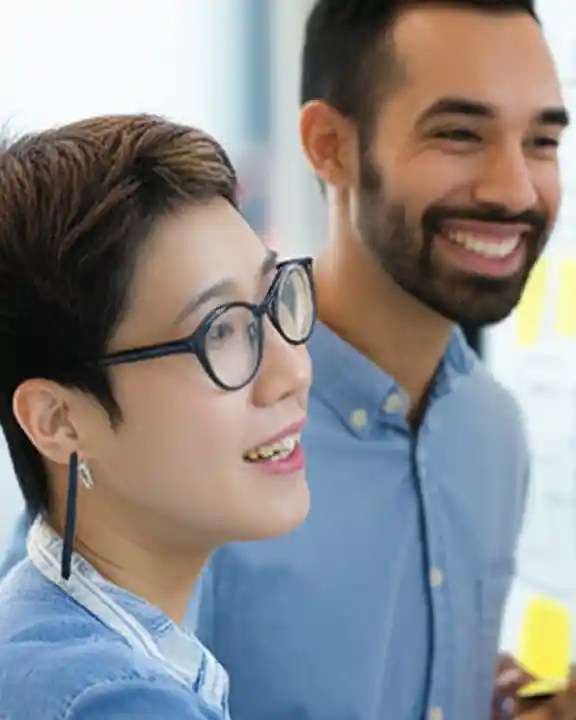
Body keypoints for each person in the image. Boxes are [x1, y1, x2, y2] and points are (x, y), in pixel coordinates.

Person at [0, 3, 576, 720]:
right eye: (459, 134)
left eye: (543, 141)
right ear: (329, 146)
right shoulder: (213, 489)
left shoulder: (488, 431)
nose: (513, 188)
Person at [0, 114, 315, 717]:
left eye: (273, 298)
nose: (292, 373)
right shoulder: (114, 702)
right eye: (220, 331)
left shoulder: (43, 633)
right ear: (59, 421)